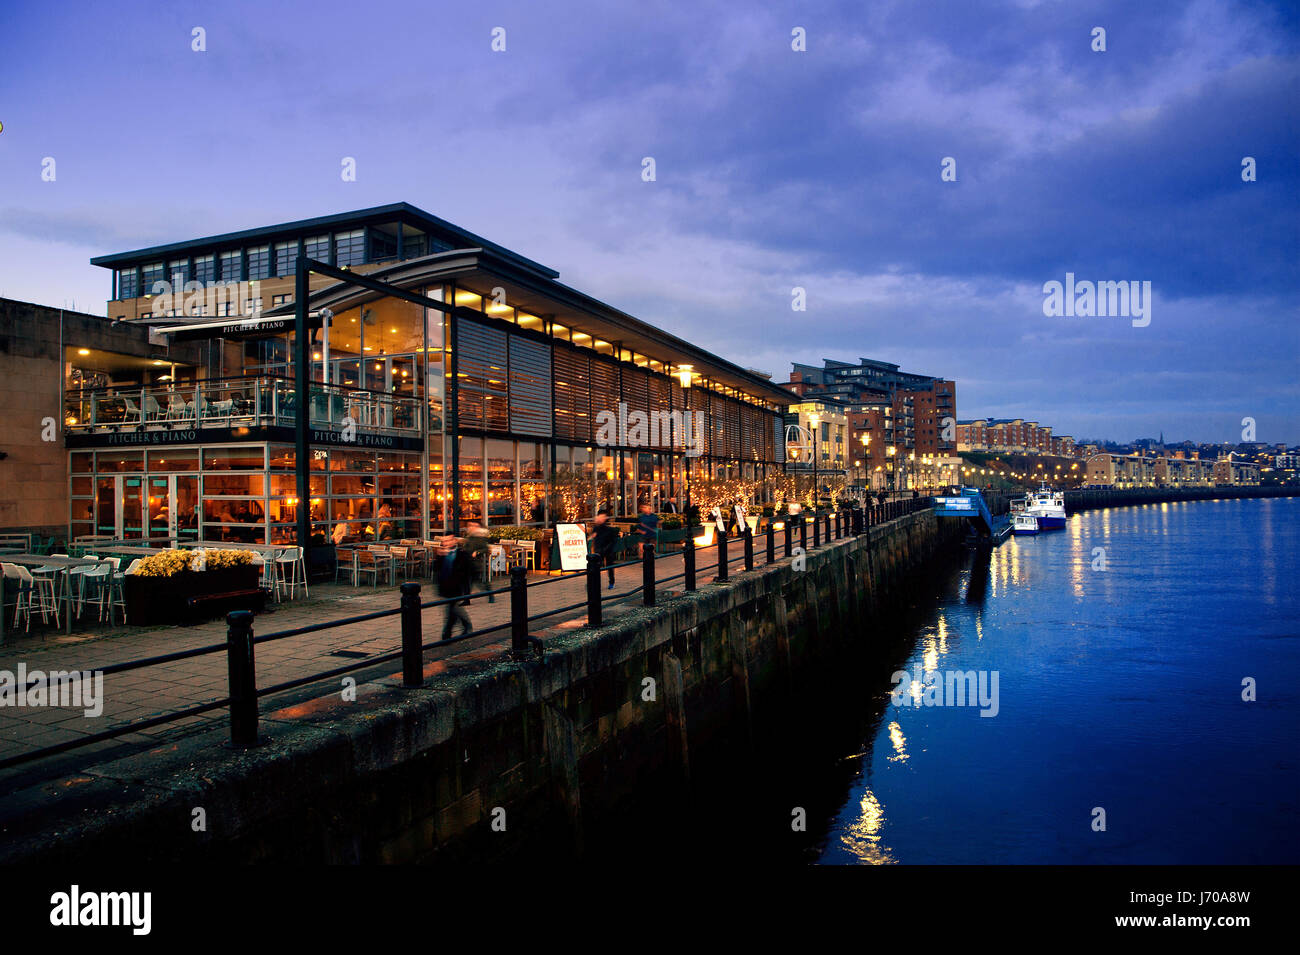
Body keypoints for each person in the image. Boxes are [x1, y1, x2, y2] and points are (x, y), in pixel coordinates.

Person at [436, 535, 473, 640]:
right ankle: (466, 625)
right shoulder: (441, 554)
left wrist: (467, 588)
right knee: (453, 609)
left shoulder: (462, 554)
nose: (446, 543)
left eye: (448, 540)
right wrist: (439, 556)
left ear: (454, 540)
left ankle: (446, 634)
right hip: (444, 586)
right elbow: (435, 569)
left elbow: (469, 571)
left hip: (456, 586)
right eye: (444, 541)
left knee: (451, 609)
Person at [462, 519, 494, 603]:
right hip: (467, 562)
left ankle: (490, 594)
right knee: (466, 581)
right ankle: (466, 600)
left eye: (472, 526)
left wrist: (477, 552)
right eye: (469, 525)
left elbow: (486, 549)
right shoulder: (469, 536)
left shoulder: (480, 537)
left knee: (479, 582)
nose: (470, 527)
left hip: (475, 563)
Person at [588, 510, 619, 589]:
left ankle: (611, 582)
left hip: (608, 549)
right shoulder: (596, 528)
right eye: (600, 517)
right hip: (599, 550)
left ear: (605, 518)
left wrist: (610, 548)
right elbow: (593, 536)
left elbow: (613, 540)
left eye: (603, 517)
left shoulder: (609, 529)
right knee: (596, 567)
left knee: (609, 567)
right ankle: (594, 583)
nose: (601, 518)